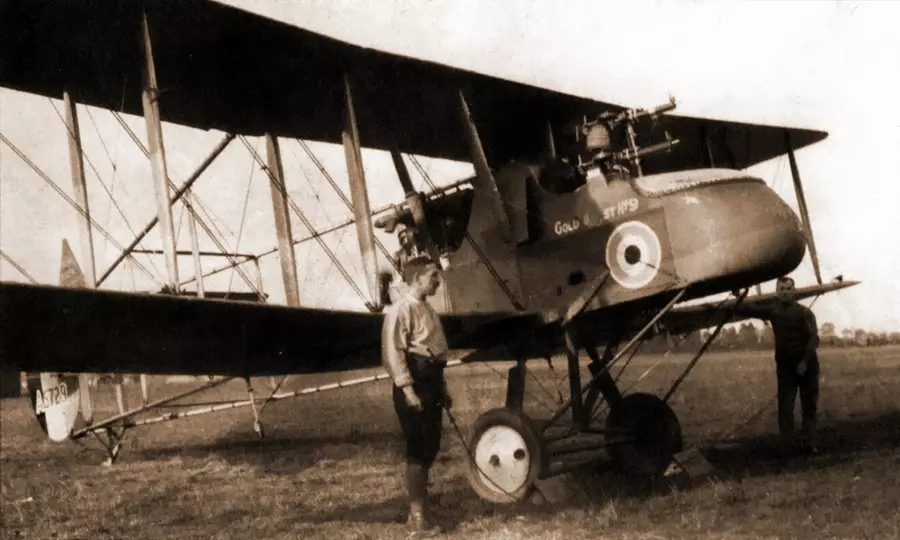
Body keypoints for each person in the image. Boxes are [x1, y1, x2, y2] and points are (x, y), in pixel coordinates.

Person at [381, 256, 452, 536]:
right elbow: (393, 353)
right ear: (417, 279)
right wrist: (409, 391)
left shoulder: (428, 310)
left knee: (430, 447)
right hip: (414, 386)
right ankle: (418, 519)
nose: (438, 281)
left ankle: (422, 507)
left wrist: (443, 390)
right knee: (418, 450)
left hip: (432, 383)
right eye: (433, 276)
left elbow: (436, 354)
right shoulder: (400, 310)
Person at [734, 276, 821, 456]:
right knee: (785, 408)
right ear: (777, 292)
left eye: (788, 288)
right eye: (781, 289)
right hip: (787, 369)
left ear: (794, 290)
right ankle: (787, 448)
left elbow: (814, 338)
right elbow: (748, 309)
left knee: (809, 407)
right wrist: (738, 295)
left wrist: (804, 362)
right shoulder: (773, 311)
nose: (785, 292)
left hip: (808, 366)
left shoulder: (805, 312)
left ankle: (809, 445)